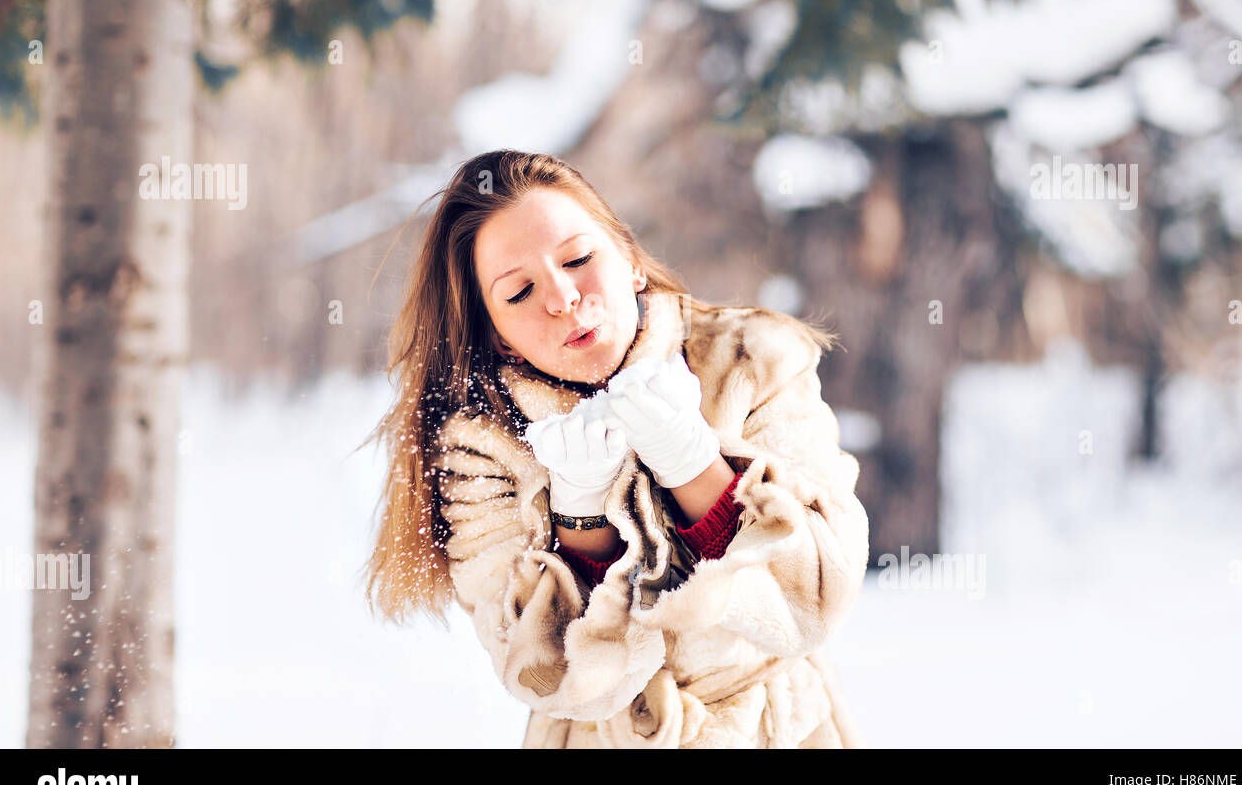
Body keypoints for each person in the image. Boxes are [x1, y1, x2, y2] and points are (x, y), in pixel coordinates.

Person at [363, 149, 871, 748]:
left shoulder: (752, 361)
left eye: (578, 258)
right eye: (520, 292)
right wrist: (580, 521)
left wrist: (692, 465)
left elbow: (816, 597)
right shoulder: (480, 453)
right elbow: (545, 673)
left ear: (629, 260)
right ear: (497, 336)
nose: (562, 297)